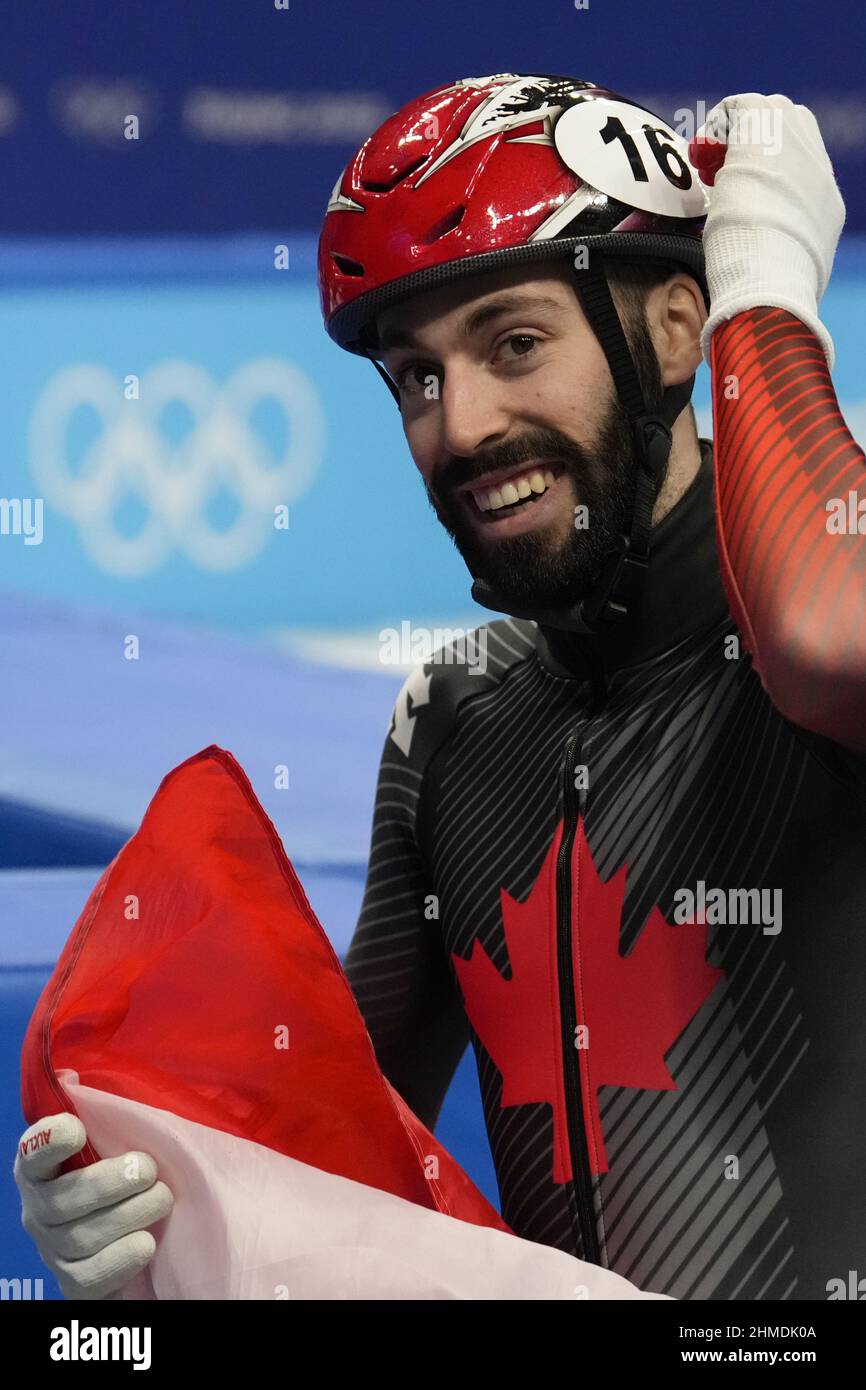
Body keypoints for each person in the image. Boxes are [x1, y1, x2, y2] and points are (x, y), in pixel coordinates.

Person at [16, 74, 863, 1301]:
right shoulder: (454, 718)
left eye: (514, 345)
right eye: (417, 377)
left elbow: (822, 632)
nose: (459, 426)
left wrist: (768, 288)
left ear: (680, 333)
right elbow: (331, 1164)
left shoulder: (813, 646)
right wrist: (141, 1225)